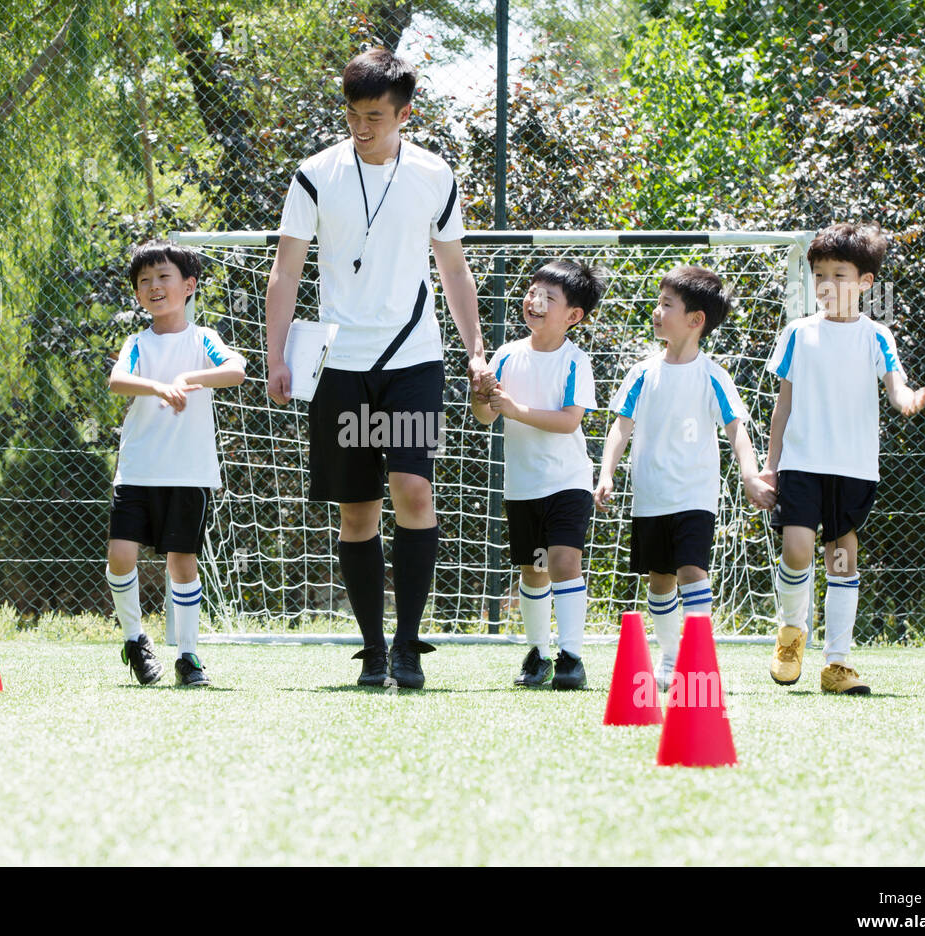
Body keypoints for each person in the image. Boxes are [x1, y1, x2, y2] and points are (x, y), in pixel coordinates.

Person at [264, 48, 488, 689]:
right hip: (340, 364)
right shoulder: (313, 175)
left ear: (404, 114)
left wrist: (474, 349)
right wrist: (277, 354)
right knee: (357, 510)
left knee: (414, 492)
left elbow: (454, 269)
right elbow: (286, 270)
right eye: (354, 114)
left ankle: (409, 645)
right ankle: (372, 648)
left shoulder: (434, 174)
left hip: (414, 359)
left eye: (375, 116)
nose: (361, 127)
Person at [759, 223, 925, 694]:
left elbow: (895, 385)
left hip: (854, 467)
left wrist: (907, 399)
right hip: (800, 464)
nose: (827, 285)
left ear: (866, 283)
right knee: (797, 549)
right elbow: (783, 405)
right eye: (820, 275)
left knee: (841, 559)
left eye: (839, 274)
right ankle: (791, 635)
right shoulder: (797, 333)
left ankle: (837, 664)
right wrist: (770, 464)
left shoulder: (877, 336)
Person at [595, 266, 775, 692]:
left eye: (667, 305)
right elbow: (621, 426)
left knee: (692, 570)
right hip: (651, 496)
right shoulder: (642, 372)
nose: (657, 312)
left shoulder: (714, 375)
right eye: (658, 303)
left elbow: (737, 430)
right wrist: (606, 473)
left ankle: (696, 657)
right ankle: (670, 656)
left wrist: (750, 477)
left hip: (695, 496)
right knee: (660, 579)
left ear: (696, 320)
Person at [106, 240, 246, 687]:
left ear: (189, 286)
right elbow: (118, 381)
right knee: (120, 556)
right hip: (138, 471)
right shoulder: (137, 342)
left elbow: (237, 369)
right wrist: (159, 387)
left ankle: (189, 657)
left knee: (182, 561)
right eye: (144, 281)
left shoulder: (203, 339)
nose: (153, 286)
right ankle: (134, 640)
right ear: (136, 293)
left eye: (163, 277)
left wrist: (187, 378)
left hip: (189, 474)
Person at [471, 260, 605, 689]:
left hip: (568, 482)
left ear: (573, 316)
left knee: (565, 562)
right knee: (533, 571)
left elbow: (569, 421)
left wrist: (514, 409)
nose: (535, 301)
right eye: (533, 291)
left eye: (549, 297)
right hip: (523, 485)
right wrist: (481, 396)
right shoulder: (507, 354)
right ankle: (539, 653)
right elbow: (485, 418)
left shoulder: (575, 361)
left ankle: (571, 657)